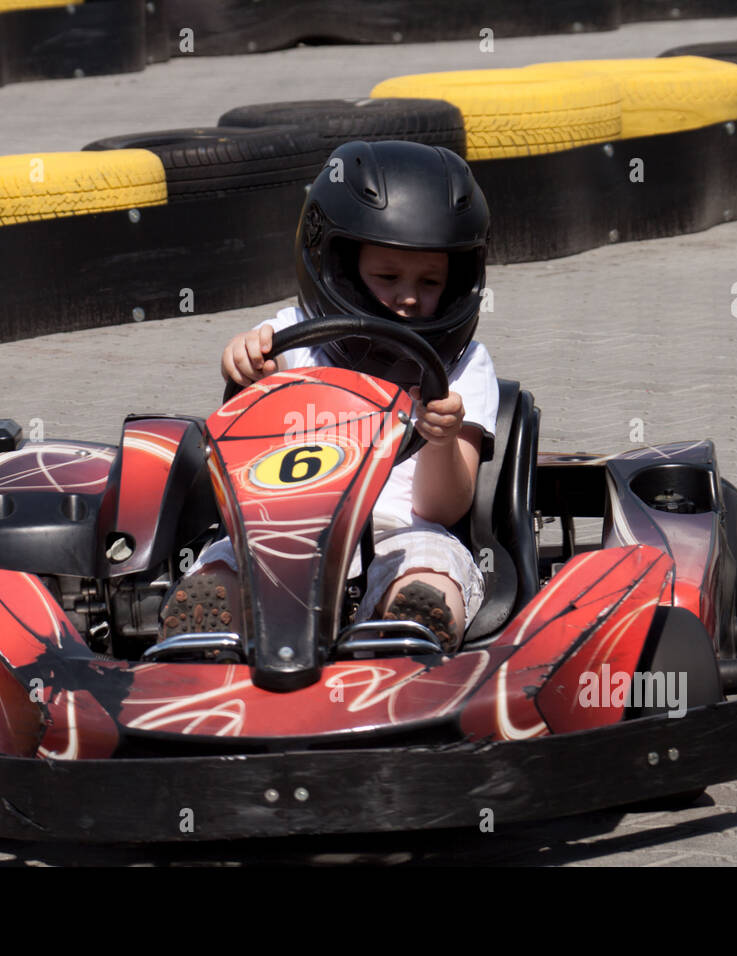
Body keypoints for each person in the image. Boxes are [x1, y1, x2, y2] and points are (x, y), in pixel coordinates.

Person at [162, 139, 499, 652]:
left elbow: (443, 506)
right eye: (387, 276)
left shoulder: (464, 367)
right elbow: (235, 447)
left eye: (429, 281)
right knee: (228, 559)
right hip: (280, 530)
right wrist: (244, 364)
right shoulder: (293, 338)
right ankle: (206, 630)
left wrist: (441, 439)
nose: (408, 295)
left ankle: (409, 634)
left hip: (401, 530)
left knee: (434, 571)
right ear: (338, 264)